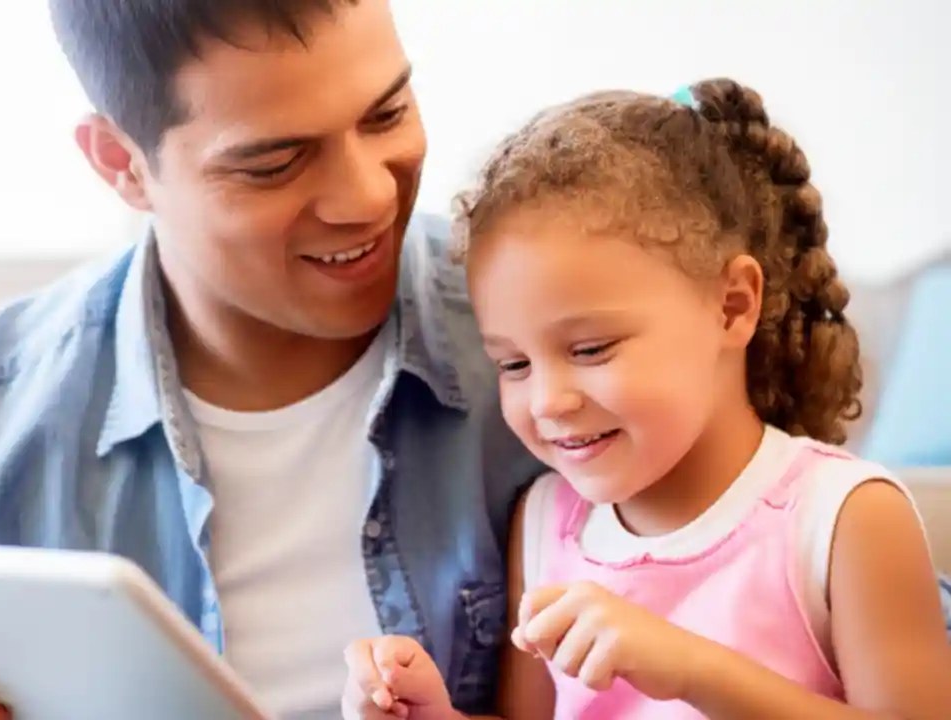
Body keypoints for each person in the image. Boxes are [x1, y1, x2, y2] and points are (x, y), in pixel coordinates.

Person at [0, 1, 544, 719]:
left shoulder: (556, 335)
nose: (368, 196)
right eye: (275, 163)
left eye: (386, 114)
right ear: (122, 163)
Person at [342, 79, 951, 718]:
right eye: (514, 363)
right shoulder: (549, 522)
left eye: (590, 349)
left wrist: (688, 668)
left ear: (731, 305)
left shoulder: (845, 520)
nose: (548, 401)